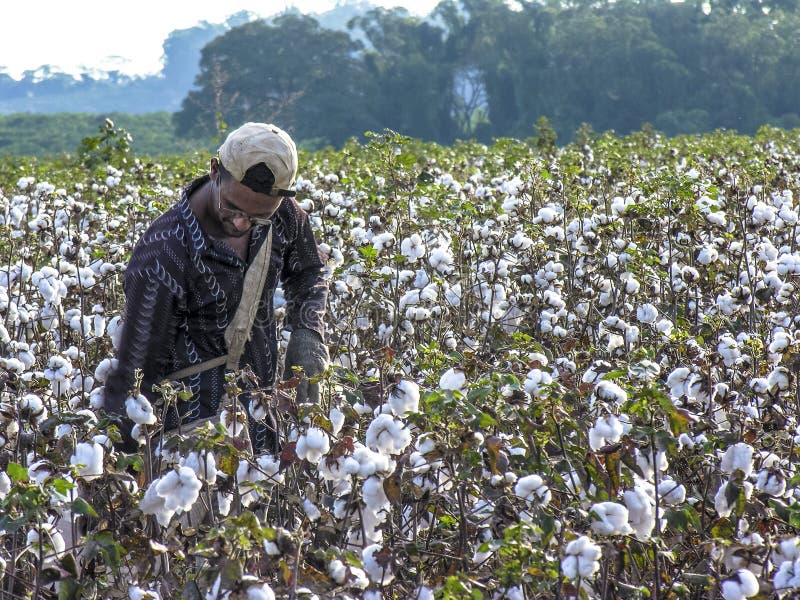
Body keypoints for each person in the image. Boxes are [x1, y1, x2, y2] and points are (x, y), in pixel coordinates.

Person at [103, 122, 329, 453]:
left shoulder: (282, 216)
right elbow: (137, 369)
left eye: (256, 217)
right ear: (214, 170)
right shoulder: (165, 253)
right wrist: (122, 464)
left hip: (262, 421)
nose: (241, 223)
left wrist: (308, 331)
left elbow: (308, 271)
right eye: (233, 208)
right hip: (191, 444)